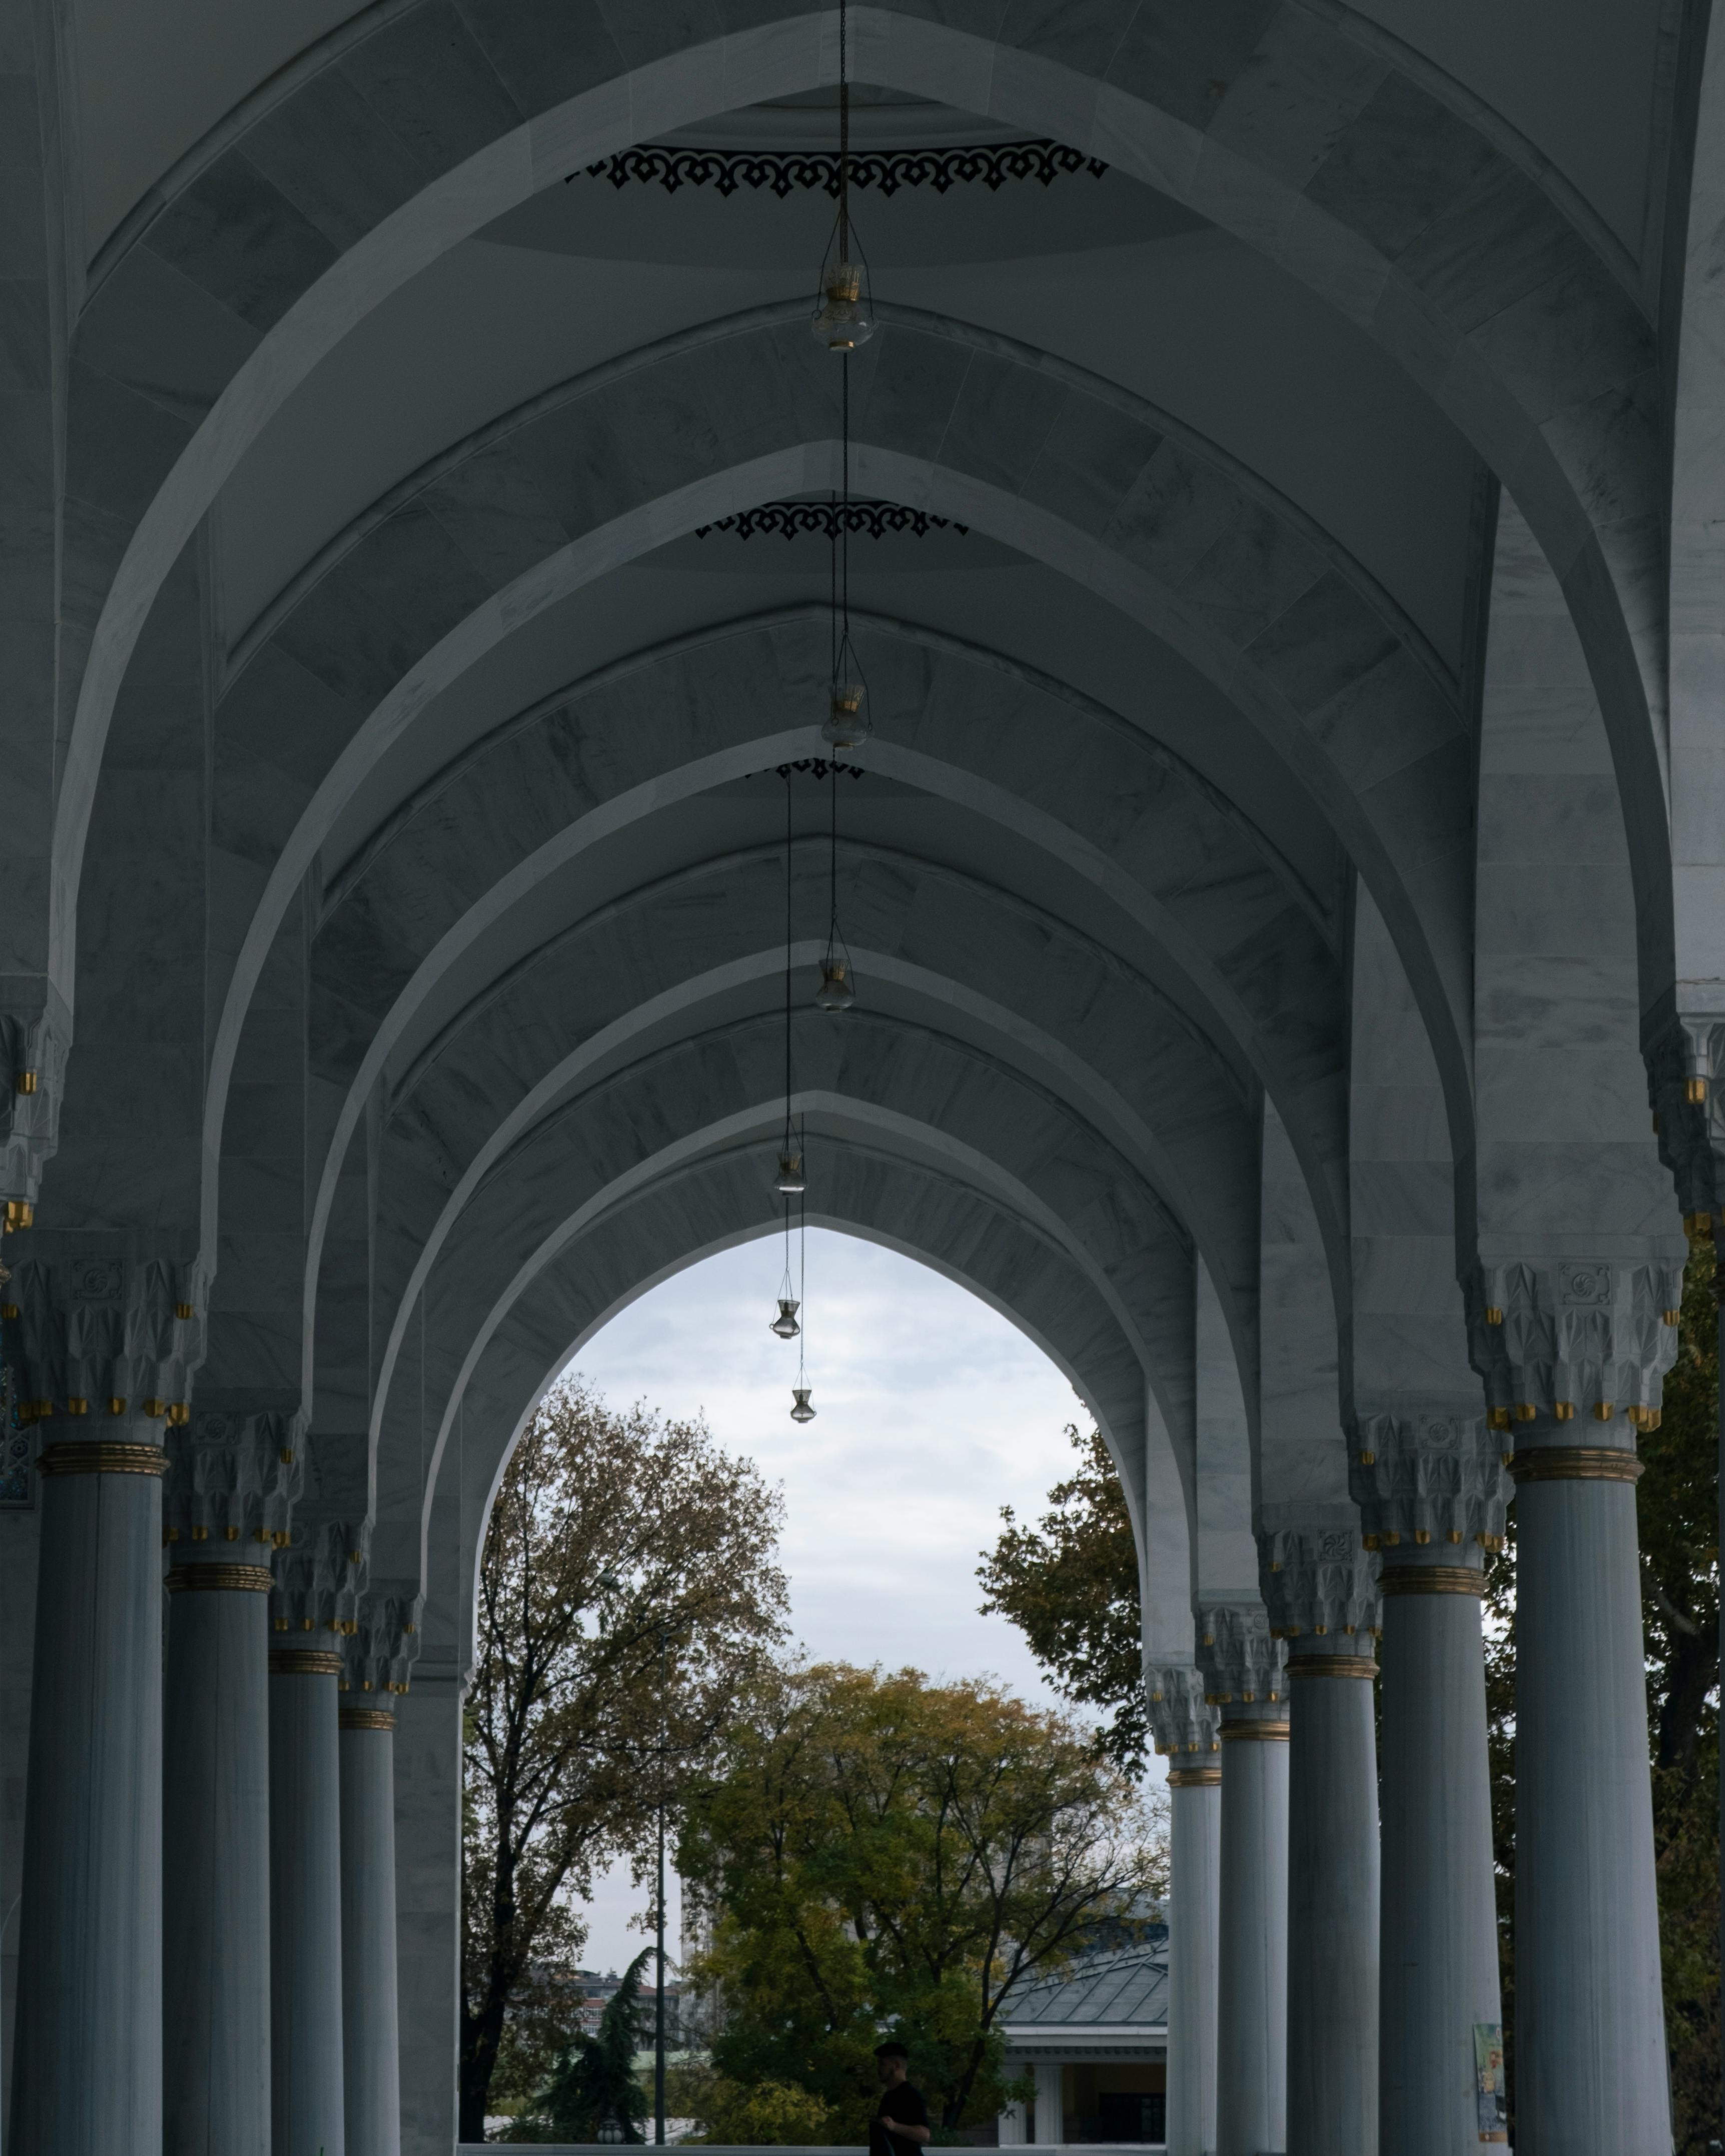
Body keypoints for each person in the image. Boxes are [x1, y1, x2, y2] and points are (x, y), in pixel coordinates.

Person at [870, 2041, 931, 2156]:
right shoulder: (889, 2096)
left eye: (882, 2064)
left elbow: (924, 2135)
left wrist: (894, 2126)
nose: (878, 2069)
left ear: (896, 2066)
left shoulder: (911, 2095)